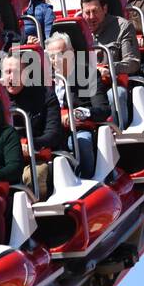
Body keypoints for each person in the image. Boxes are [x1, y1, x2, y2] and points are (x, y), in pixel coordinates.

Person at [47, 31, 111, 179]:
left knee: (82, 142)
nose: (57, 59)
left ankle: (87, 181)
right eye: (52, 56)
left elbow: (103, 110)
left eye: (62, 53)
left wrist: (79, 113)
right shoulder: (44, 80)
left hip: (78, 128)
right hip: (52, 131)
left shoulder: (89, 74)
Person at [0, 53, 64, 196]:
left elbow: (53, 134)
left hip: (36, 156)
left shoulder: (45, 95)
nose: (11, 78)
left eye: (16, 72)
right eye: (7, 72)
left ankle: (35, 212)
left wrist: (31, 143)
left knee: (33, 176)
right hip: (4, 157)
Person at [79, 0, 140, 78]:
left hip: (113, 82)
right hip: (85, 84)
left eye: (95, 11)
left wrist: (108, 68)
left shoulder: (123, 26)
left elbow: (132, 63)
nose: (91, 17)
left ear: (105, 9)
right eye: (87, 13)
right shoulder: (79, 31)